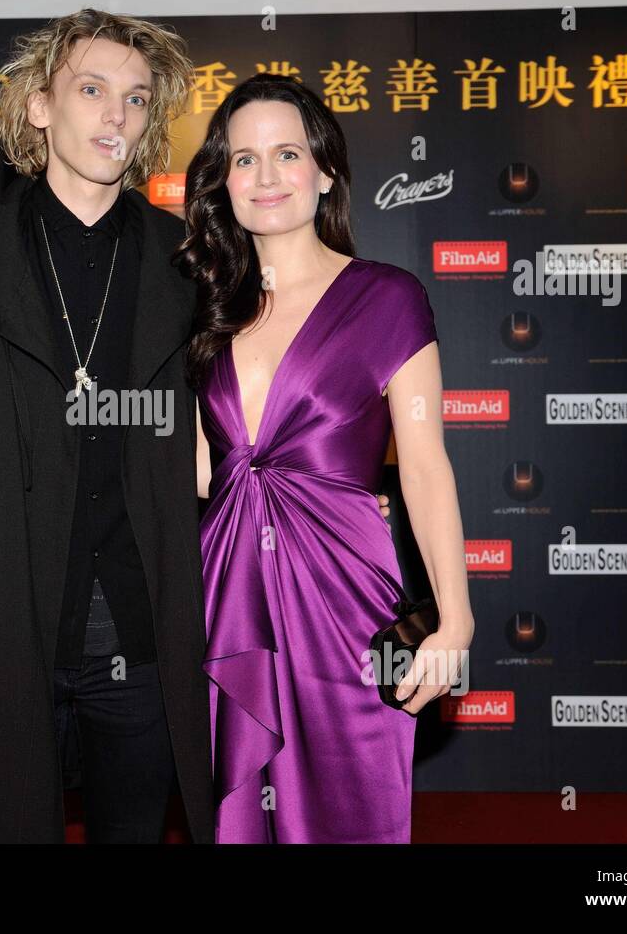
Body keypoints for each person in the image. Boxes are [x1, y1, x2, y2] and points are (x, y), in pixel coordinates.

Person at [0, 10, 392, 843]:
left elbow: (250, 427)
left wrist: (334, 502)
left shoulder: (186, 261)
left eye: (136, 98)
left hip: (148, 638)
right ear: (41, 106)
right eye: (91, 89)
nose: (115, 114)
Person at [177, 73, 475, 843]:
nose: (265, 177)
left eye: (286, 153)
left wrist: (455, 619)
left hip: (345, 599)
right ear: (222, 181)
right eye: (243, 160)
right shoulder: (206, 309)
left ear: (327, 170)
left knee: (355, 807)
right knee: (235, 810)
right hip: (225, 598)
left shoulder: (387, 298)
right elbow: (200, 474)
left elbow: (424, 465)